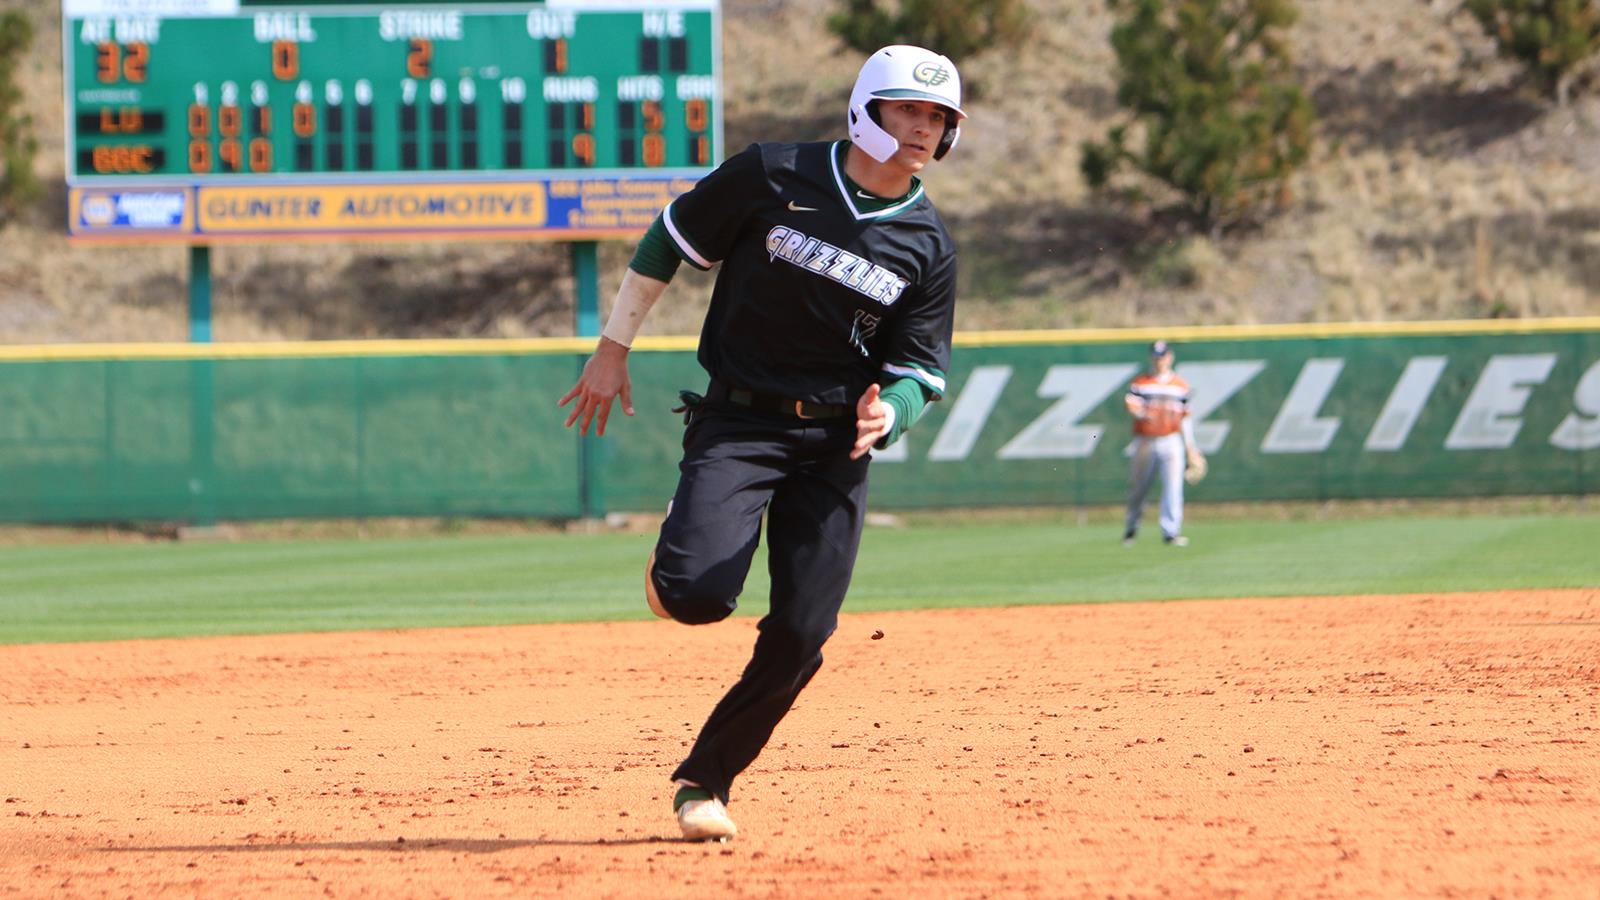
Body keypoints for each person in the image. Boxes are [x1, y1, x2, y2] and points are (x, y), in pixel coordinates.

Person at [557, 45, 966, 841]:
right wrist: (612, 349)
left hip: (837, 441)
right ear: (866, 109)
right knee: (696, 597)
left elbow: (919, 368)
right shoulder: (772, 174)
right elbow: (668, 240)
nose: (923, 127)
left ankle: (705, 780)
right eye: (908, 110)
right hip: (741, 419)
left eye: (938, 117)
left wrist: (898, 412)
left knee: (805, 631)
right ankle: (687, 536)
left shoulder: (927, 244)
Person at [1122, 340, 1205, 547]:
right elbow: (1131, 404)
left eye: (1163, 356)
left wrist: (1191, 447)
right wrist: (1144, 414)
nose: (1160, 361)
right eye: (1156, 357)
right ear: (1152, 358)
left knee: (1173, 488)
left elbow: (1185, 418)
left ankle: (1171, 532)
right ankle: (1131, 528)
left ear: (1170, 357)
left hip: (1171, 440)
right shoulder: (1141, 383)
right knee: (1138, 488)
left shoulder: (1180, 385)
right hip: (1146, 441)